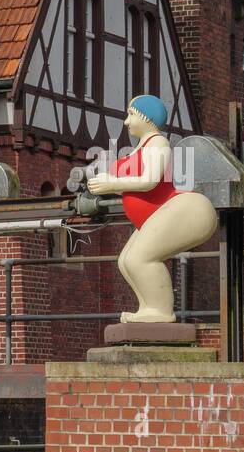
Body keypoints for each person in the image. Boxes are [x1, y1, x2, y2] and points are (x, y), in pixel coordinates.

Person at [87, 95, 217, 324]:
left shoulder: (159, 144)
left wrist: (112, 183)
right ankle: (148, 309)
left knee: (140, 258)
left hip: (184, 208)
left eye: (131, 114)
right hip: (154, 215)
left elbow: (150, 181)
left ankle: (161, 311)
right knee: (126, 260)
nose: (126, 122)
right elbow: (136, 188)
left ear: (147, 118)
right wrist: (107, 184)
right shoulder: (140, 148)